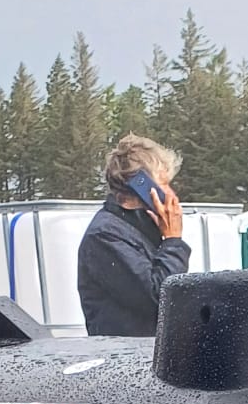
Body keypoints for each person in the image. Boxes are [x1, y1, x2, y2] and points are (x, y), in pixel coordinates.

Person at [77, 135, 190, 336]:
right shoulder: (105, 236)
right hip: (125, 353)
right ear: (142, 184)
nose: (171, 193)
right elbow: (161, 297)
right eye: (164, 184)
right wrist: (173, 241)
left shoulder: (140, 229)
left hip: (148, 350)